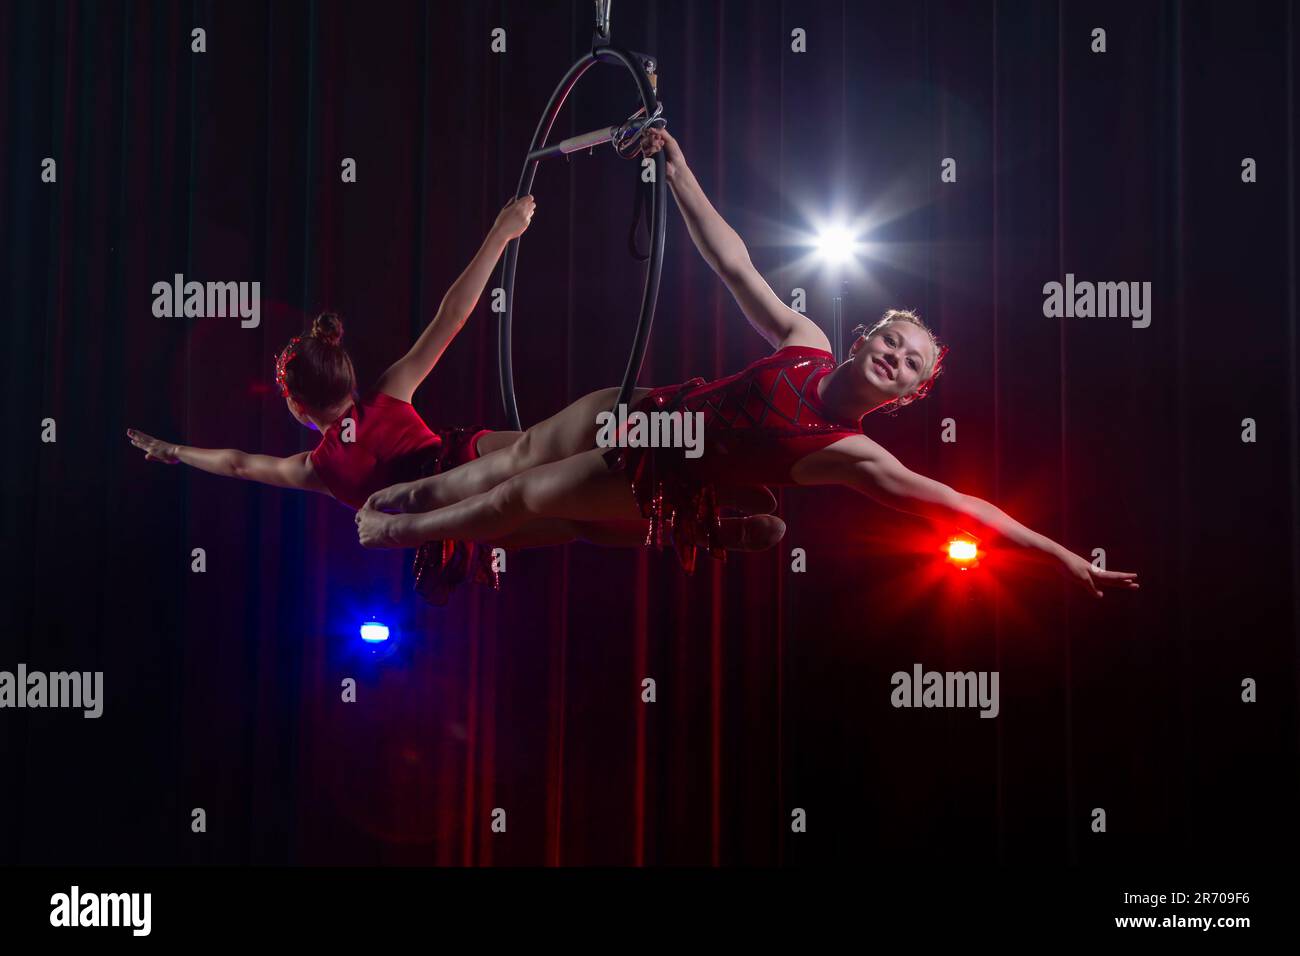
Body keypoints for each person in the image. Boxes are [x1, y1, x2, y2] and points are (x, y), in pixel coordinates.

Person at [355, 130, 1139, 599]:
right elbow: (734, 263)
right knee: (522, 448)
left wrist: (1066, 558)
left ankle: (399, 531)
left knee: (523, 497)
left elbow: (964, 509)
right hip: (653, 409)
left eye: (910, 366)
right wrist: (677, 165)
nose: (895, 359)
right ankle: (396, 495)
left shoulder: (853, 455)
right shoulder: (806, 342)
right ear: (865, 336)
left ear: (908, 394)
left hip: (663, 478)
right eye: (893, 343)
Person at [127, 196, 785, 603]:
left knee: (580, 519)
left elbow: (242, 463)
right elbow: (453, 315)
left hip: (462, 516)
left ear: (298, 409)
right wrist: (502, 232)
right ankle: (712, 478)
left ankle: (713, 520)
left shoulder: (319, 467)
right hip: (462, 460)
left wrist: (172, 451)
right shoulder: (385, 398)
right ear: (347, 378)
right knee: (546, 451)